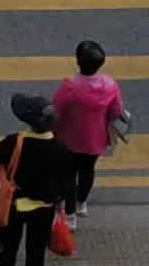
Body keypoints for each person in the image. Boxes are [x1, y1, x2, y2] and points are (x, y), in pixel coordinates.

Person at [0, 94, 71, 266]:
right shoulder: (60, 147)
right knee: (36, 248)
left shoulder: (15, 141)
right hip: (44, 208)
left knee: (8, 242)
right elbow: (66, 179)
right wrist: (63, 202)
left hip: (15, 204)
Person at [51, 40, 125, 227]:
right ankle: (81, 203)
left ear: (78, 61)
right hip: (96, 139)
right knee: (88, 170)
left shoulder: (69, 86)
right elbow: (116, 112)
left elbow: (56, 111)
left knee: (68, 175)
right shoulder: (110, 85)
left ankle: (70, 217)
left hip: (69, 139)